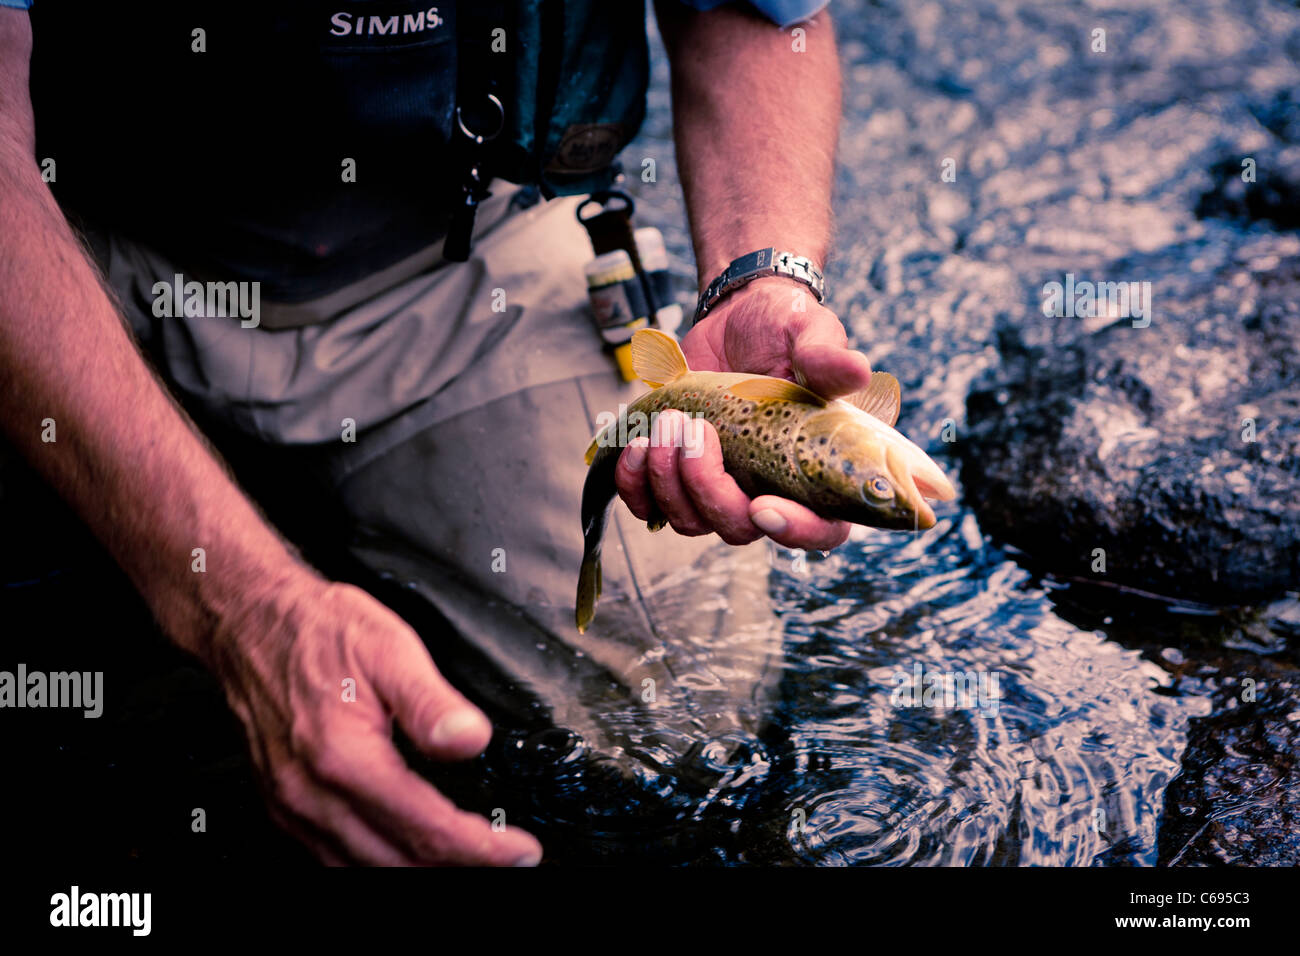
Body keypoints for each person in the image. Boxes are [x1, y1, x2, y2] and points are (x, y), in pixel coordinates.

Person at [0, 0, 873, 865]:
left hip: (473, 256)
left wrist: (763, 278)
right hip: (77, 252)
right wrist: (244, 610)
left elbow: (759, 13)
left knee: (678, 732)